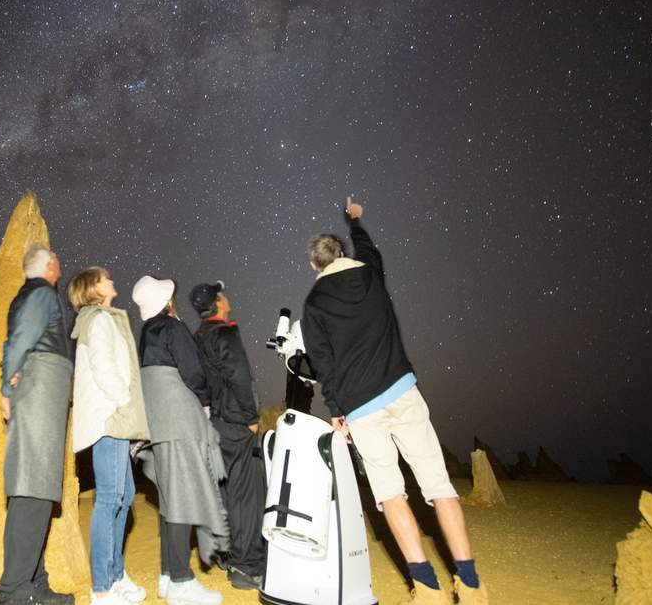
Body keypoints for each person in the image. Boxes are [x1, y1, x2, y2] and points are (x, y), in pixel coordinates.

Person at [302, 197, 490, 605]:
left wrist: (336, 412)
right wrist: (354, 220)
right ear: (343, 254)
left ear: (314, 266)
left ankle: (426, 588)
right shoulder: (369, 272)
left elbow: (323, 364)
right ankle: (472, 586)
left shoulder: (314, 304)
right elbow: (369, 247)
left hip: (361, 409)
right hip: (403, 391)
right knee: (440, 488)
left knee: (390, 495)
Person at [132, 275, 227, 605]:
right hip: (177, 417)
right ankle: (182, 582)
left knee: (171, 498)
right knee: (183, 495)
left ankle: (167, 576)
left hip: (157, 421)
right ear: (167, 302)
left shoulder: (146, 334)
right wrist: (204, 401)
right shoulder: (172, 328)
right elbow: (193, 370)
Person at [67, 267, 151, 604]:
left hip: (114, 419)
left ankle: (115, 576)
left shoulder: (104, 319)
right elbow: (104, 367)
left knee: (123, 495)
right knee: (109, 498)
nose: (112, 279)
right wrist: (125, 401)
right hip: (109, 419)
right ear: (94, 288)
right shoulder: (99, 320)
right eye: (105, 277)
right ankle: (102, 587)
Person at [0, 244, 75, 605]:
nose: (60, 263)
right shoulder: (42, 293)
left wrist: (11, 377)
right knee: (31, 490)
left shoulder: (27, 295)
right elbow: (21, 339)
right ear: (49, 266)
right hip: (40, 390)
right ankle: (14, 591)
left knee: (38, 491)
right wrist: (6, 384)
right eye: (56, 259)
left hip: (42, 390)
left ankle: (34, 585)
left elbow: (13, 342)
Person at [188, 281, 267, 590]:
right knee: (247, 495)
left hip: (214, 423)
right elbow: (240, 376)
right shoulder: (224, 333)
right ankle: (247, 566)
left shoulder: (197, 337)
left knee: (224, 493)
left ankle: (226, 553)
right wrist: (250, 417)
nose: (227, 295)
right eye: (222, 293)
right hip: (236, 423)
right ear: (219, 302)